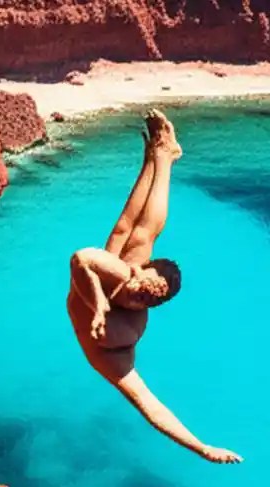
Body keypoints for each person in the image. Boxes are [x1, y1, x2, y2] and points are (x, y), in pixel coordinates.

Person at [67, 110, 242, 464]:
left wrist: (203, 448)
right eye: (143, 282)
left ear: (150, 307)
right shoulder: (130, 276)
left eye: (147, 297)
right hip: (96, 293)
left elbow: (152, 408)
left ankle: (160, 157)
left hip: (99, 302)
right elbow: (80, 257)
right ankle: (162, 156)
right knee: (133, 231)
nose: (139, 290)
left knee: (128, 233)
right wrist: (99, 302)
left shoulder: (124, 342)